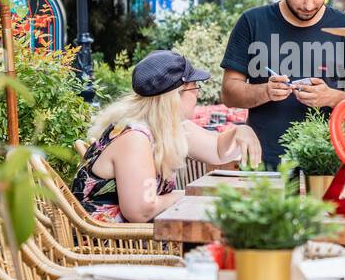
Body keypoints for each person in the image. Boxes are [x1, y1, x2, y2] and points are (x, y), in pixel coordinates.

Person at [71, 50, 261, 223]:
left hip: (137, 238)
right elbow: (140, 211)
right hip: (111, 246)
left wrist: (241, 132)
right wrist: (188, 195)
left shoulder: (167, 128)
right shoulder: (134, 138)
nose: (197, 96)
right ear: (175, 96)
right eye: (194, 88)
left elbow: (218, 151)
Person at [220, 0, 345, 167]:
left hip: (329, 165)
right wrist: (265, 91)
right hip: (265, 165)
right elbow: (229, 94)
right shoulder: (252, 23)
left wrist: (331, 97)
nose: (309, 4)